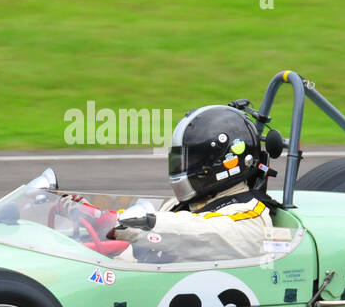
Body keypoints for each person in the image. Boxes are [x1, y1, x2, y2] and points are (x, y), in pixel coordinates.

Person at [59, 104, 276, 261]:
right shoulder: (187, 203)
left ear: (226, 163)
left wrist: (113, 222)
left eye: (191, 160)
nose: (183, 166)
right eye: (181, 159)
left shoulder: (252, 220)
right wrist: (92, 215)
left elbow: (192, 233)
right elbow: (140, 237)